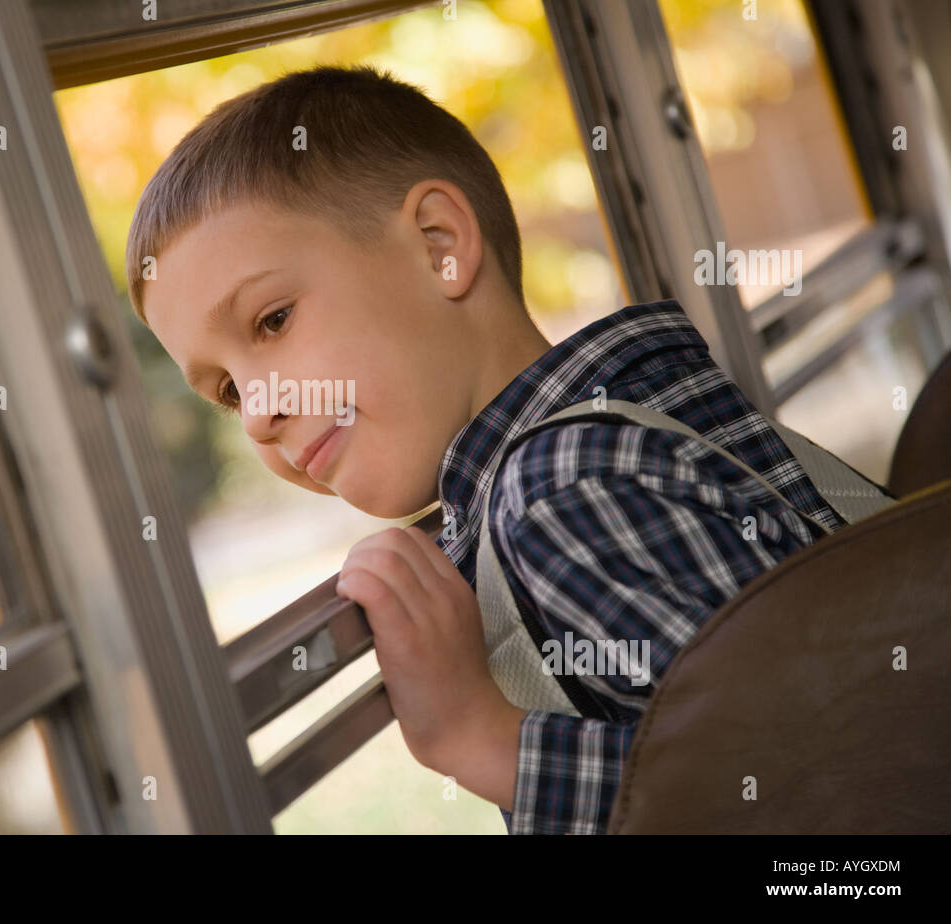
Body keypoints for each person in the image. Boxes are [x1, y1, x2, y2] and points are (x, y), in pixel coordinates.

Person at [124, 63, 848, 834]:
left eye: (272, 321)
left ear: (440, 246)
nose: (257, 418)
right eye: (227, 392)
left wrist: (477, 737)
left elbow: (810, 795)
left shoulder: (557, 492)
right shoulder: (644, 404)